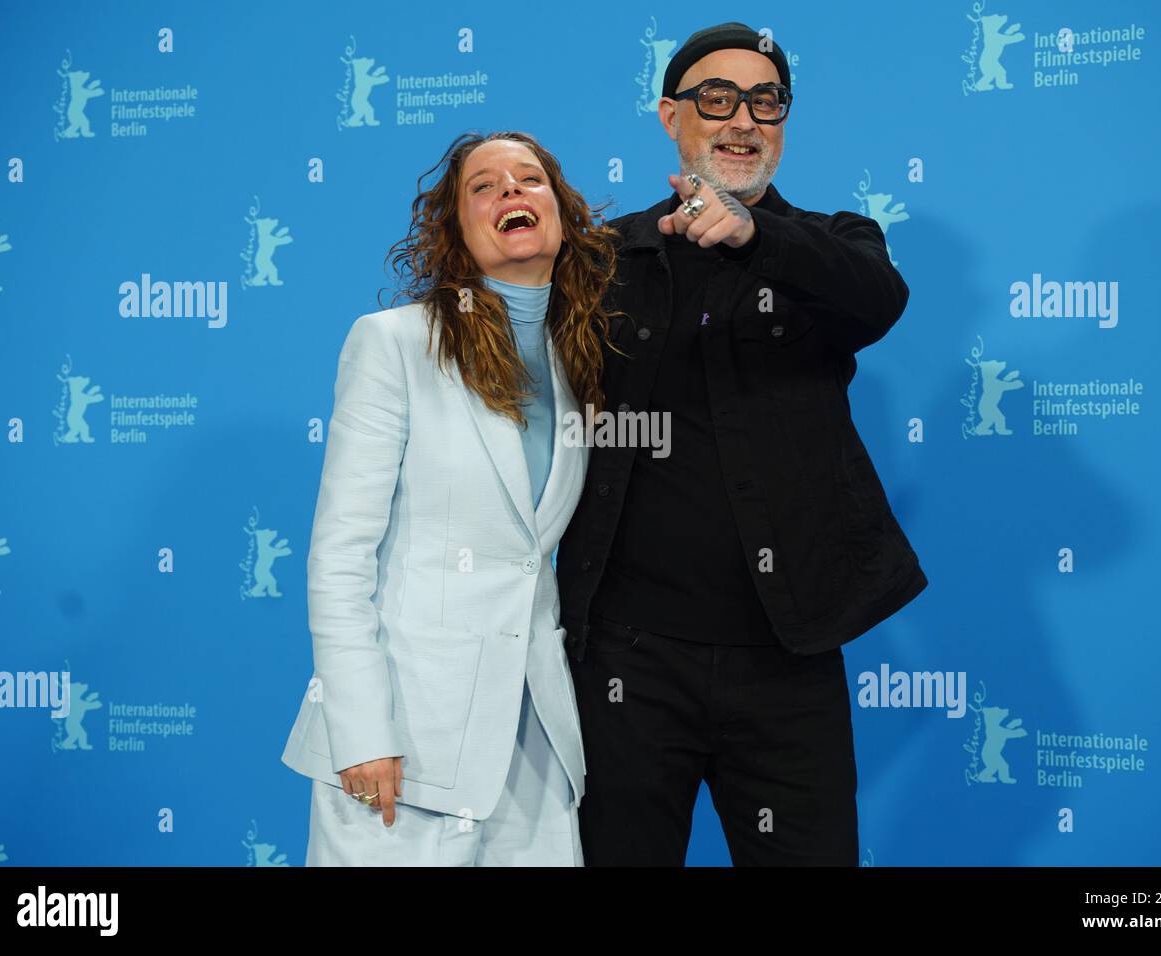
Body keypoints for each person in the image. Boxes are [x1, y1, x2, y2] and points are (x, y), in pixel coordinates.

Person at [556, 21, 929, 865]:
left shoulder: (836, 243)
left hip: (787, 658)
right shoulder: (602, 261)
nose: (743, 120)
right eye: (716, 98)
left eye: (766, 102)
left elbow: (878, 302)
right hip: (627, 665)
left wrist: (756, 236)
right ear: (668, 116)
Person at [281, 131, 621, 865]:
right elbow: (341, 558)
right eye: (484, 186)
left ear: (560, 214)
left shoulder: (582, 365)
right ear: (456, 230)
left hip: (534, 754)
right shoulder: (393, 344)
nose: (510, 192)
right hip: (405, 748)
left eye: (530, 179)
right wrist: (364, 732)